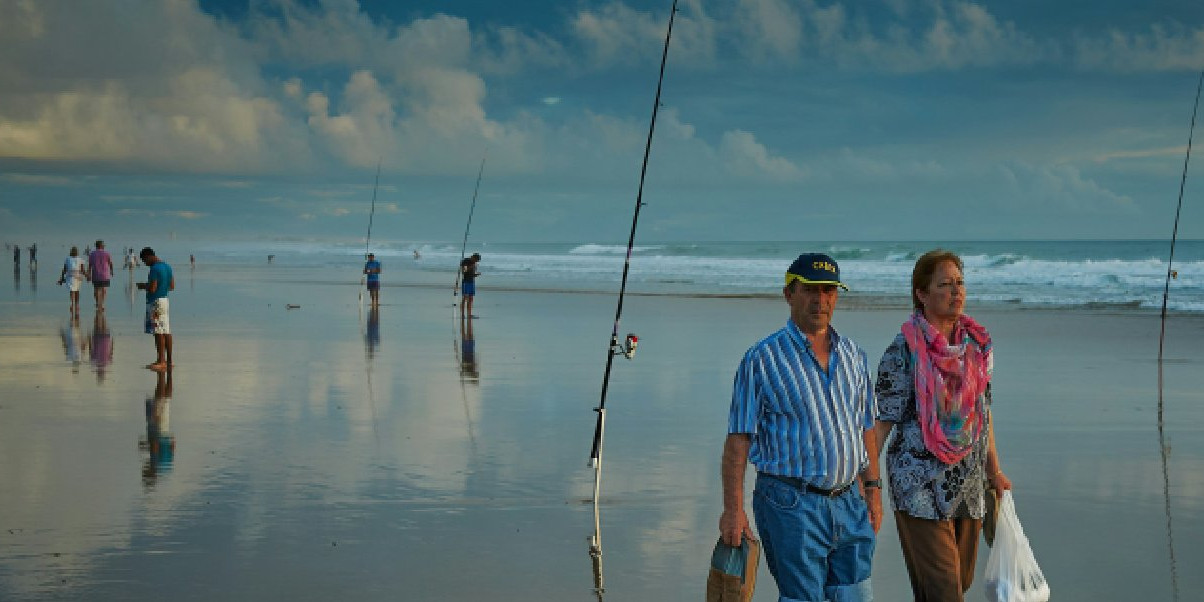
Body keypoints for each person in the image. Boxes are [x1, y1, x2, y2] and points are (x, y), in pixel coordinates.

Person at [720, 253, 881, 602]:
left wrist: (873, 488)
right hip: (790, 505)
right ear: (789, 294)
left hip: (850, 503)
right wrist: (733, 510)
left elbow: (865, 425)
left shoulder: (855, 355)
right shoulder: (761, 358)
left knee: (856, 596)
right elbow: (738, 439)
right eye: (810, 290)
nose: (820, 300)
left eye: (829, 291)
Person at [873, 249, 1012, 602]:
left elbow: (983, 413)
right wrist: (867, 482)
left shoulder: (978, 344)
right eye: (945, 284)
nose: (956, 292)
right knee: (946, 591)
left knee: (955, 585)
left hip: (969, 483)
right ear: (922, 294)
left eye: (960, 283)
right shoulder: (903, 351)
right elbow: (881, 423)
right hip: (918, 483)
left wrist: (995, 472)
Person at [136, 247, 174, 371]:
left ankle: (161, 361)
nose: (145, 264)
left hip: (155, 301)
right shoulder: (167, 267)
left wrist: (143, 286)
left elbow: (152, 288)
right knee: (166, 330)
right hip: (165, 300)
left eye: (145, 261)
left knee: (158, 331)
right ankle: (169, 361)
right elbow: (172, 286)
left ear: (149, 256)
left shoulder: (154, 269)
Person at [58, 246, 88, 316]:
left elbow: (64, 269)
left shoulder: (68, 259)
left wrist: (62, 278)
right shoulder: (80, 259)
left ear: (71, 252)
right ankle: (77, 305)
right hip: (78, 276)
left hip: (70, 276)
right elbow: (82, 270)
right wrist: (87, 276)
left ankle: (72, 304)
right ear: (77, 252)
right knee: (77, 291)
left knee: (72, 291)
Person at [88, 240, 114, 311]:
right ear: (102, 246)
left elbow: (90, 265)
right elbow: (110, 263)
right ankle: (102, 304)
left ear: (96, 246)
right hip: (105, 275)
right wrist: (111, 271)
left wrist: (89, 274)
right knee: (104, 289)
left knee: (96, 289)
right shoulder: (107, 253)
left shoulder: (92, 254)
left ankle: (97, 303)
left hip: (95, 274)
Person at [459, 253, 481, 318]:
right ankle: (462, 314)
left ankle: (469, 314)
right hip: (466, 282)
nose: (476, 262)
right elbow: (464, 271)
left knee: (471, 298)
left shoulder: (474, 264)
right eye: (475, 260)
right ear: (473, 257)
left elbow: (472, 274)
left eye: (477, 261)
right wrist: (471, 266)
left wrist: (476, 275)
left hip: (471, 282)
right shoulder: (466, 261)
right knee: (465, 298)